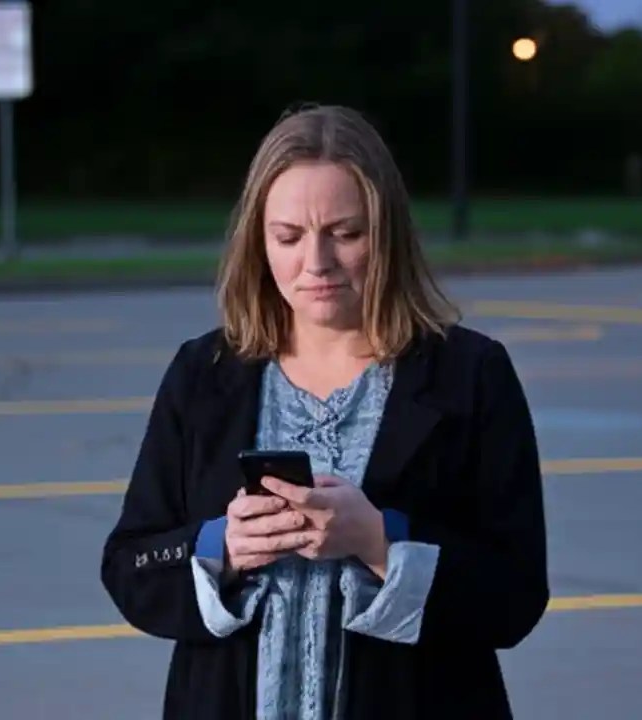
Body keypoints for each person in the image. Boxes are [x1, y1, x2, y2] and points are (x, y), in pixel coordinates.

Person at [100, 104, 549, 720]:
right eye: (288, 237)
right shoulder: (203, 374)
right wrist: (222, 546)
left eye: (345, 233)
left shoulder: (469, 375)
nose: (316, 263)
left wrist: (381, 541)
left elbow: (515, 596)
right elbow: (130, 564)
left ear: (386, 232)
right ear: (258, 241)